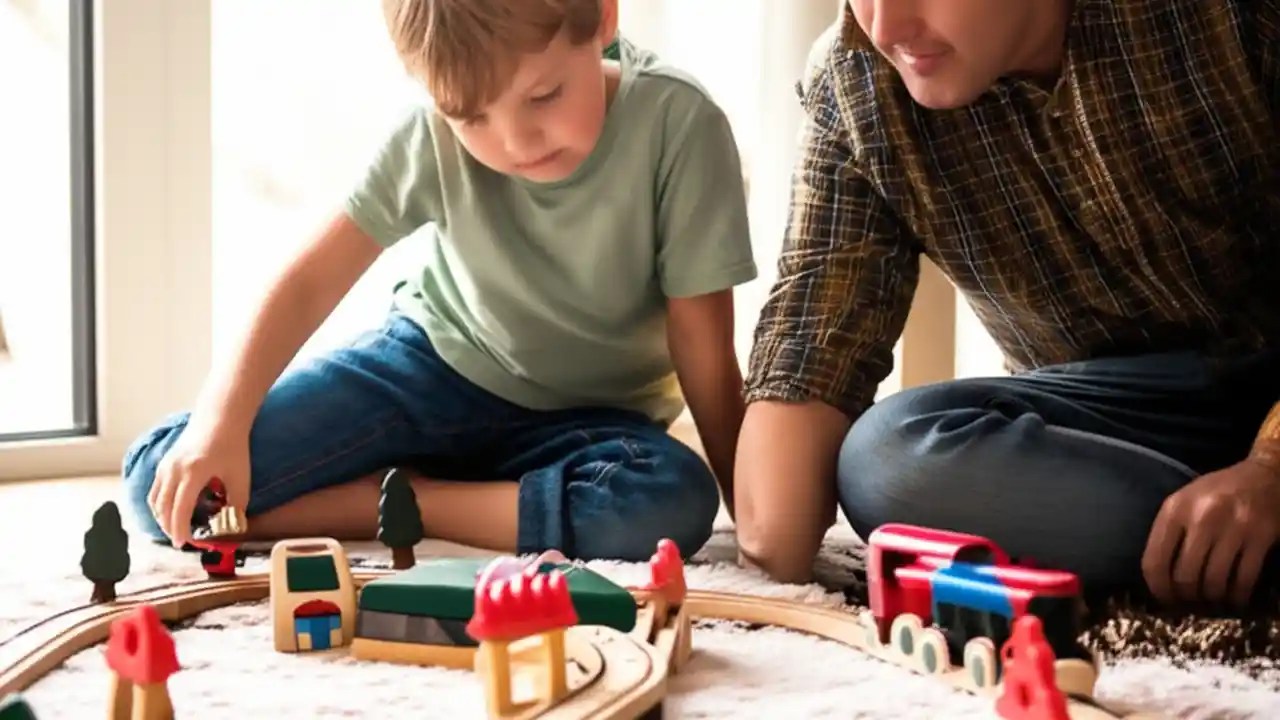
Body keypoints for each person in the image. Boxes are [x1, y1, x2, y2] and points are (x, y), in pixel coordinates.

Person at [122, 0, 757, 561]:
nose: (514, 140)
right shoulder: (426, 133)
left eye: (543, 96)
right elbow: (310, 279)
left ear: (605, 17)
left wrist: (745, 505)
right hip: (428, 374)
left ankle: (396, 500)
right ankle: (434, 497)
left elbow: (700, 339)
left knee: (671, 500)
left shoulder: (679, 125)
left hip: (588, 422)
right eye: (471, 117)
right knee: (166, 485)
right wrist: (218, 430)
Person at [734, 0, 1280, 609]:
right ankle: (1220, 547)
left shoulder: (1233, 16)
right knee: (886, 457)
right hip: (1120, 428)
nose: (885, 28)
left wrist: (1271, 472)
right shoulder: (855, 81)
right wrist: (765, 560)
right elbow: (811, 346)